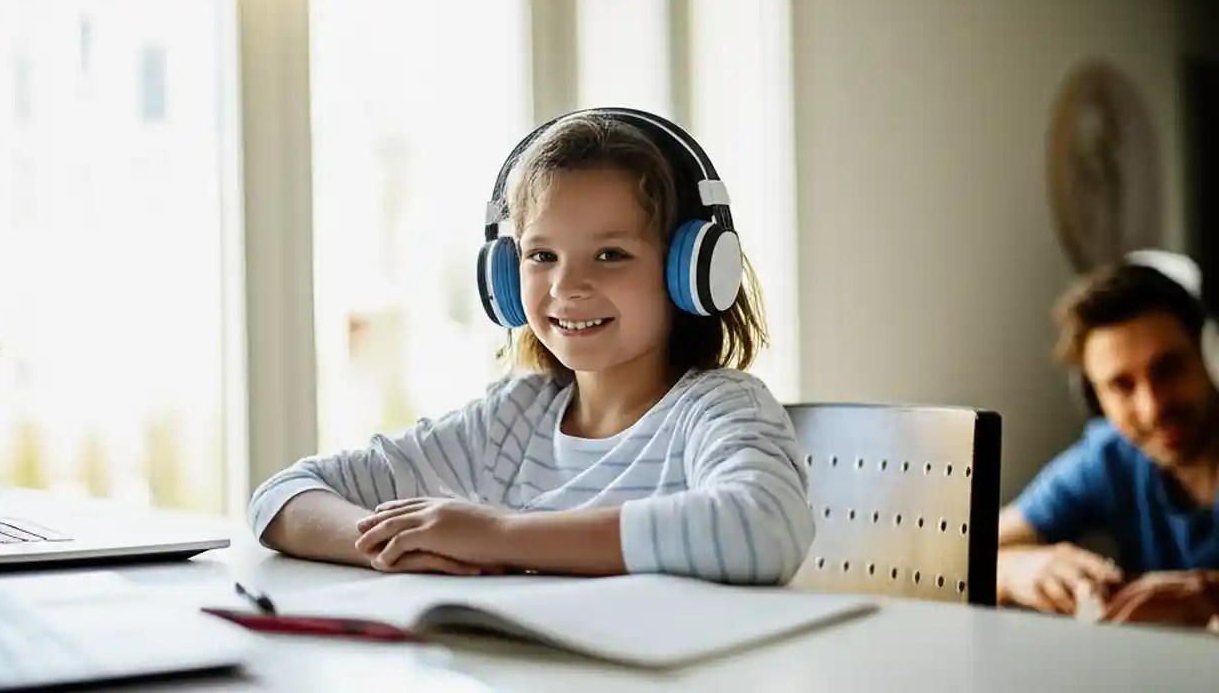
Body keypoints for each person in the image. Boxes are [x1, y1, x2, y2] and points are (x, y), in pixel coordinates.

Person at [246, 108, 814, 585]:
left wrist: (496, 537)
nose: (567, 287)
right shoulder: (512, 420)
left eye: (611, 254)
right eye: (541, 256)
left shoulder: (720, 409)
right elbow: (283, 497)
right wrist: (397, 546)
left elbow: (761, 528)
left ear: (690, 271)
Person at [997, 261, 1219, 627]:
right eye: (1122, 386)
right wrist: (1017, 569)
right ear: (1094, 398)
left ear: (1209, 357)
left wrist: (1207, 594)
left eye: (1169, 370)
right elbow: (963, 553)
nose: (1152, 409)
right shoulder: (1109, 457)